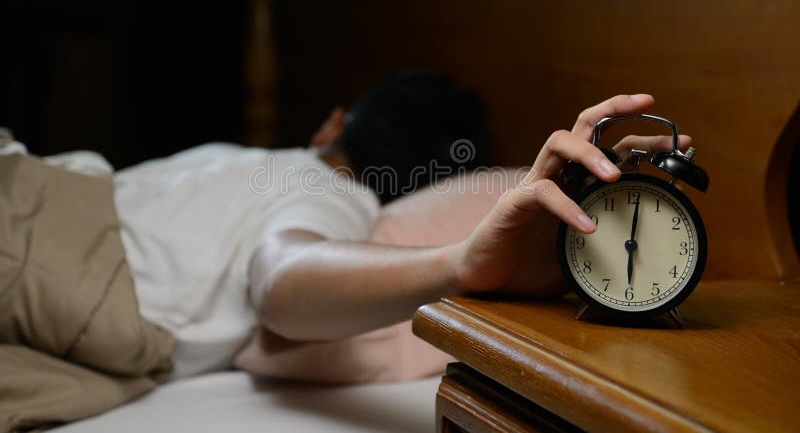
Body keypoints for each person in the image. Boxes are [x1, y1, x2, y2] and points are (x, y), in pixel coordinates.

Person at [114, 69, 689, 378]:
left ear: (334, 124)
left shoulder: (226, 159)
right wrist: (458, 264)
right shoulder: (334, 196)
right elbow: (278, 282)